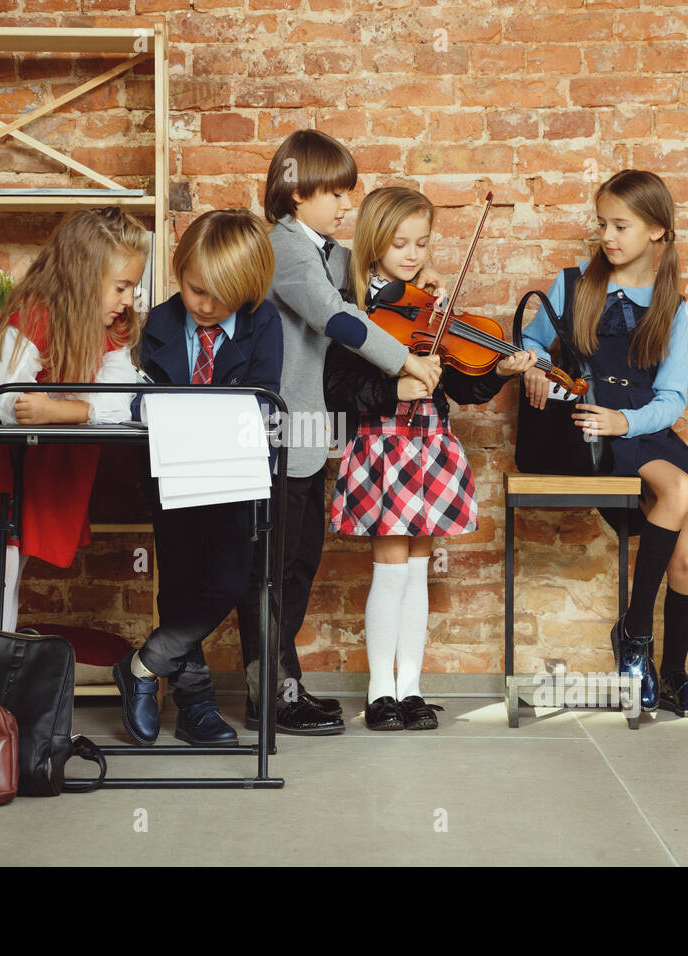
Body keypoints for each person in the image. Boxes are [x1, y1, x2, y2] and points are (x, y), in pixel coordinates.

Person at [236, 129, 445, 735]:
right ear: (296, 193)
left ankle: (281, 683)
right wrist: (403, 361)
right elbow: (336, 315)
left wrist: (417, 280)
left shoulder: (323, 248)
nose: (346, 205)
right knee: (273, 568)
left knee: (298, 563)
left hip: (309, 431)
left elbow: (365, 289)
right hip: (279, 429)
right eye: (335, 193)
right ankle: (271, 691)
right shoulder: (285, 249)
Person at [325, 187, 536, 730]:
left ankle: (411, 688)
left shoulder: (428, 310)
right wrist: (394, 391)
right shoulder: (357, 311)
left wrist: (499, 372)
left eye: (421, 243)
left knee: (418, 571)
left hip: (432, 443)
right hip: (384, 445)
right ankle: (379, 693)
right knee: (390, 570)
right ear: (373, 242)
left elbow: (464, 388)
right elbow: (337, 386)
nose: (413, 255)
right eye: (400, 244)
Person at [519, 169, 688, 718]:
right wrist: (535, 367)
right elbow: (530, 344)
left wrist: (626, 423)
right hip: (589, 428)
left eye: (621, 225)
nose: (608, 235)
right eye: (602, 223)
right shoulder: (573, 284)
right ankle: (634, 638)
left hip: (640, 427)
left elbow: (673, 397)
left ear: (656, 231)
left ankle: (672, 675)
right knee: (678, 486)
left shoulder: (672, 302)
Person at [0, 207, 149, 632]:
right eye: (121, 287)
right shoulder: (33, 314)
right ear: (83, 274)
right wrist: (61, 411)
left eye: (132, 288)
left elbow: (121, 403)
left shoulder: (116, 327)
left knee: (13, 565)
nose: (128, 300)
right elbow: (6, 401)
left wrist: (60, 410)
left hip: (43, 449)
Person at [112, 210, 282, 746]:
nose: (205, 306)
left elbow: (262, 401)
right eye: (195, 290)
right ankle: (196, 705)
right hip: (170, 476)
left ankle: (142, 665)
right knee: (181, 587)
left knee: (230, 582)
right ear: (179, 270)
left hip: (233, 478)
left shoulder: (263, 324)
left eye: (220, 296)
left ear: (249, 289)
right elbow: (133, 398)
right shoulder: (156, 323)